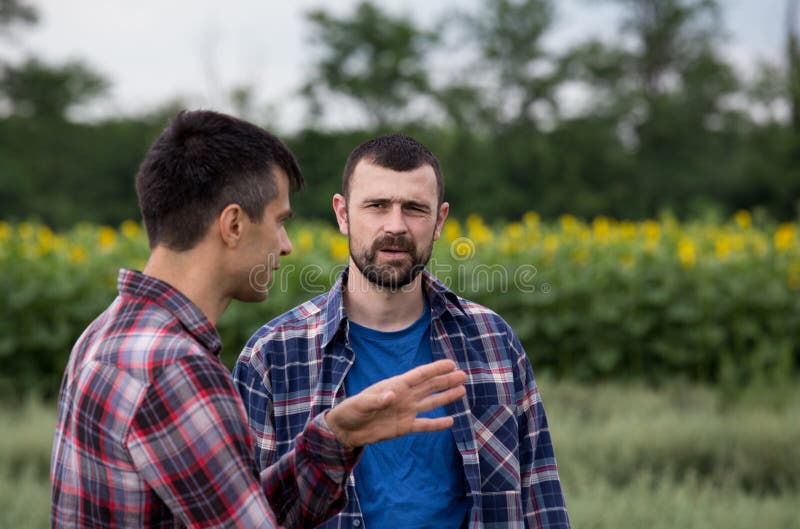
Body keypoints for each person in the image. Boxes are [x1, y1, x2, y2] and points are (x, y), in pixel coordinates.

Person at [50, 111, 467, 529]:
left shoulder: (106, 333)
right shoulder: (177, 370)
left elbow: (233, 509)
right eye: (279, 221)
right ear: (233, 224)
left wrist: (335, 437)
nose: (285, 245)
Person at [233, 134, 571, 528]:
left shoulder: (493, 341)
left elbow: (540, 501)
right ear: (342, 214)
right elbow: (243, 514)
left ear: (439, 220)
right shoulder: (273, 356)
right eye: (377, 205)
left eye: (414, 208)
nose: (395, 226)